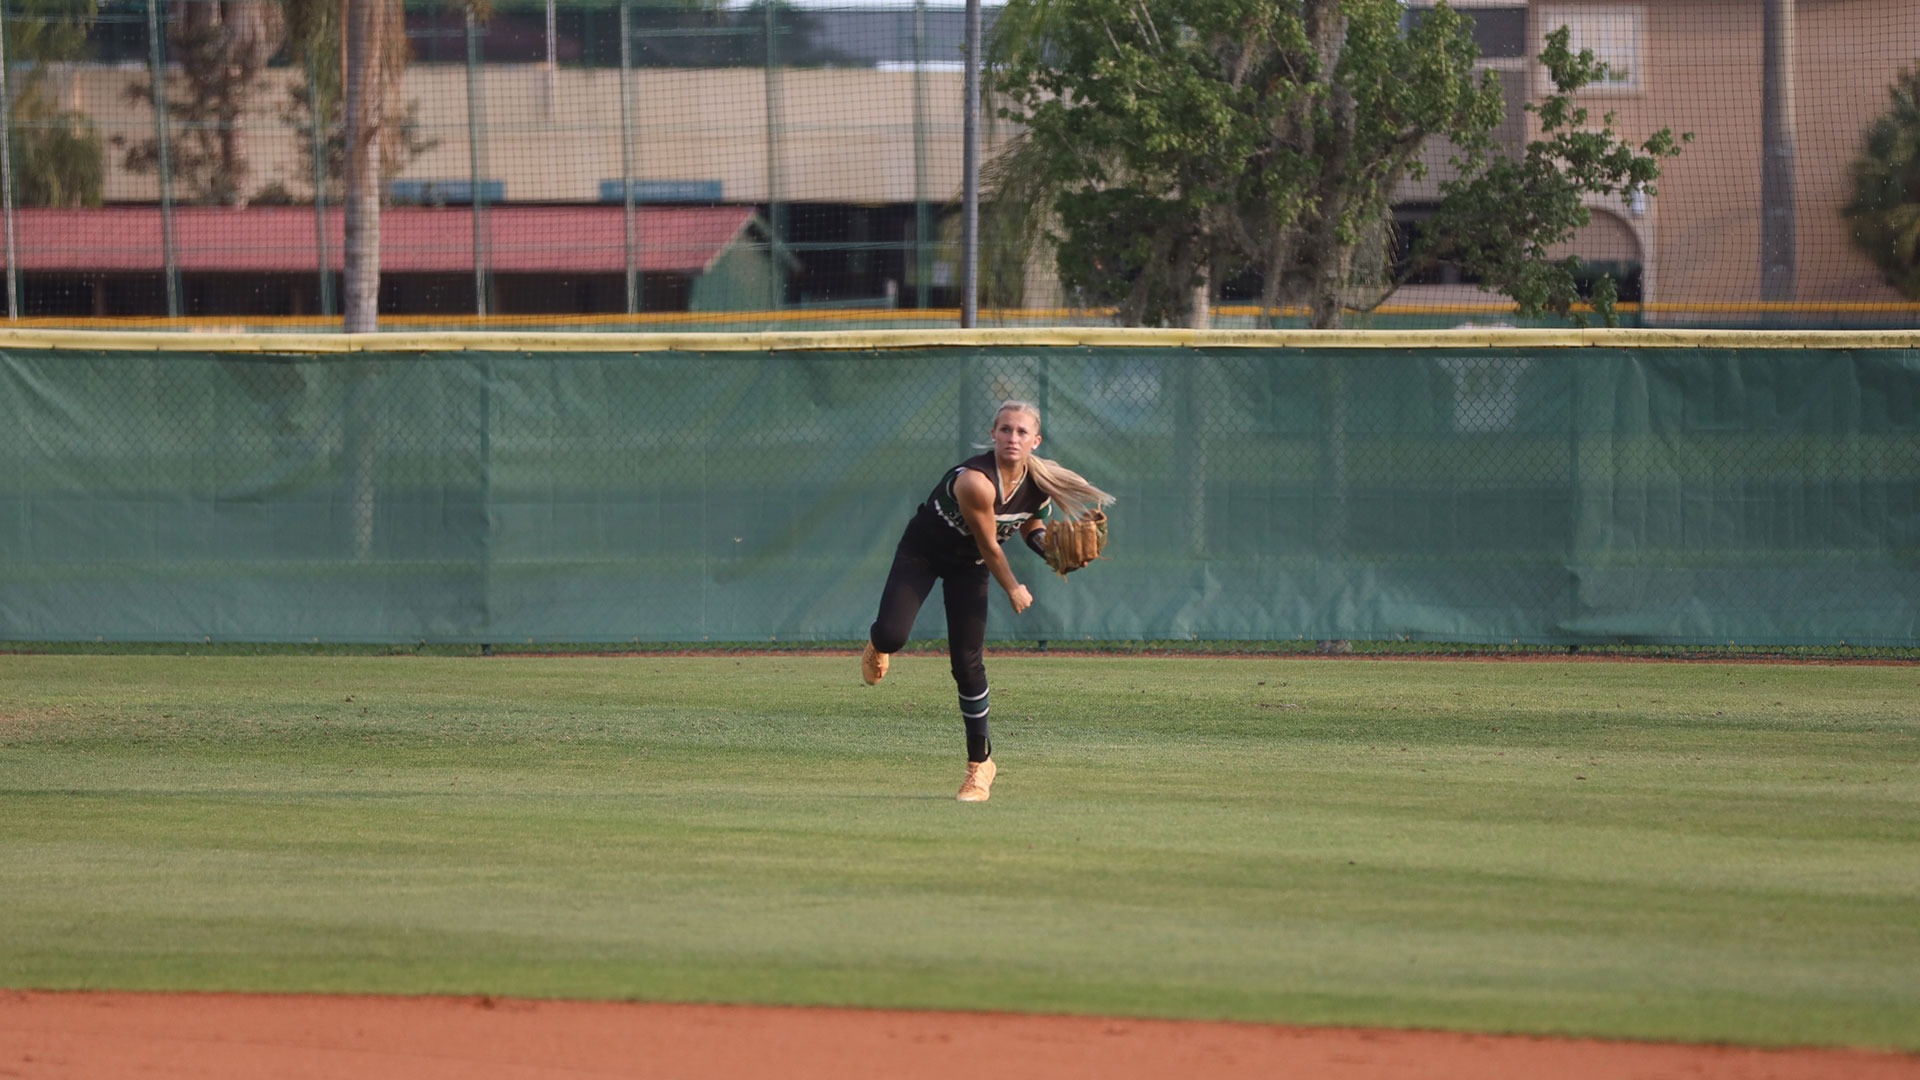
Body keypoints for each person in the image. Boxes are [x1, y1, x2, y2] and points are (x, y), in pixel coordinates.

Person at [860, 400, 1114, 802]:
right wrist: (1013, 587)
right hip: (923, 553)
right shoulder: (975, 481)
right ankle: (879, 644)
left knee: (967, 661)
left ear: (1036, 440)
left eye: (1021, 432)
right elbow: (990, 545)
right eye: (1006, 430)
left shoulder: (1038, 484)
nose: (1013, 437)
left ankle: (979, 767)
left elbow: (1030, 523)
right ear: (993, 434)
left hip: (970, 566)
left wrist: (1049, 546)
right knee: (892, 634)